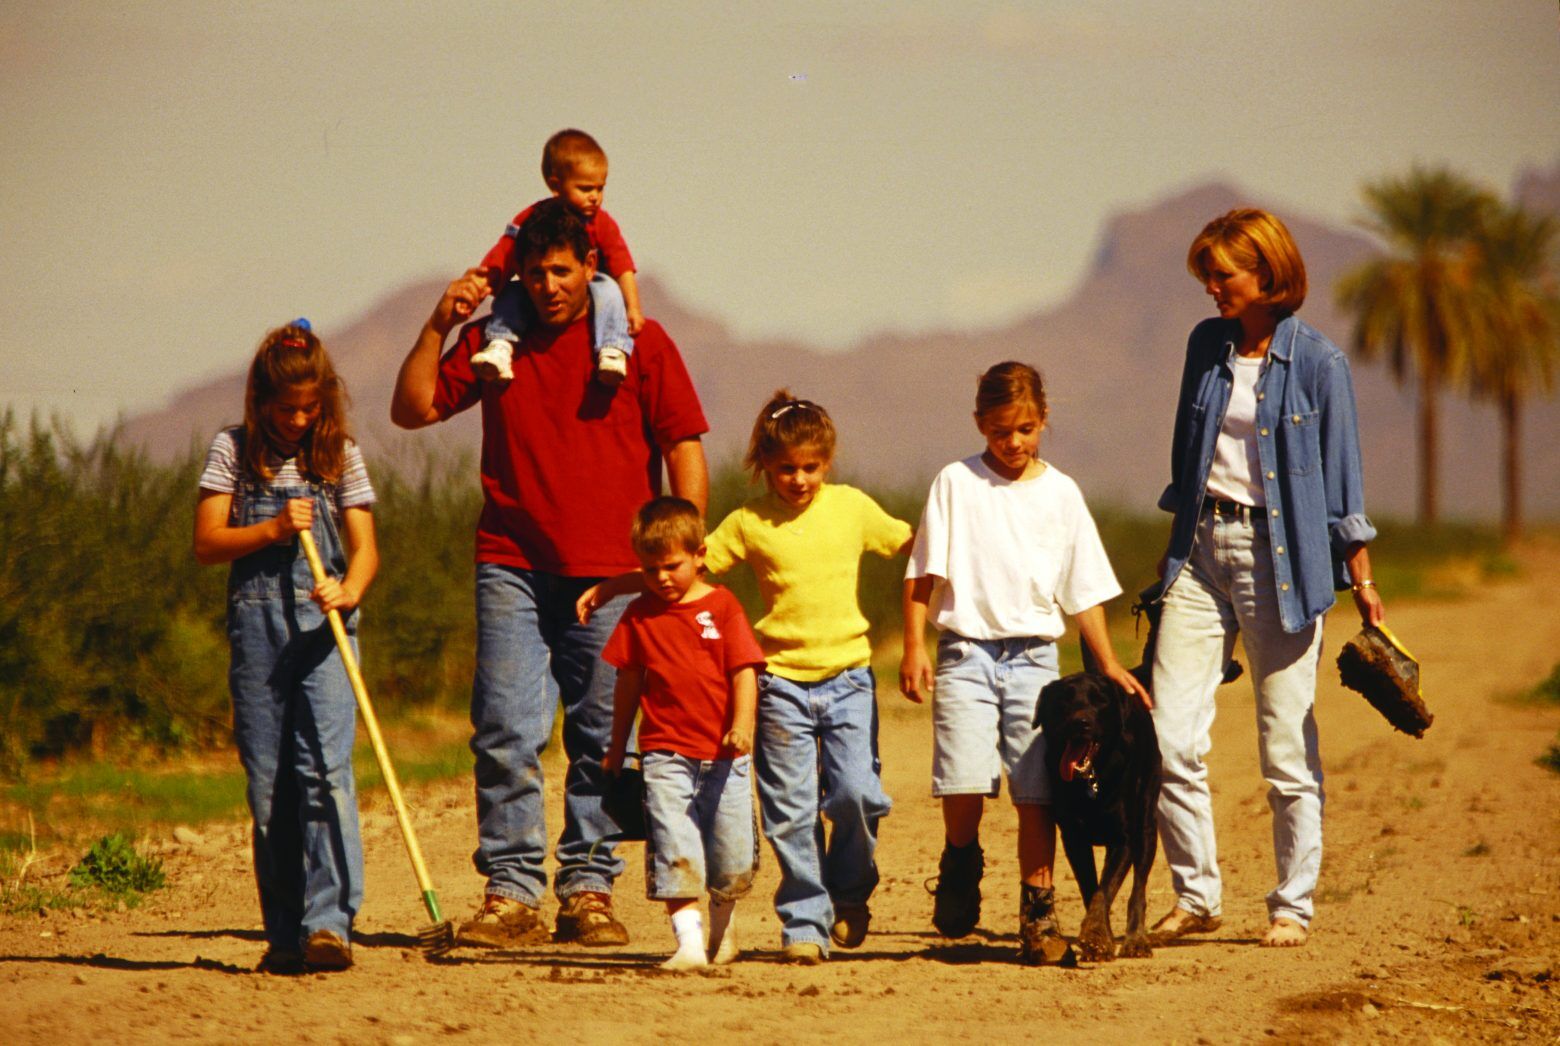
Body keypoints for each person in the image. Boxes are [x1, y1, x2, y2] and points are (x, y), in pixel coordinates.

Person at [390, 198, 709, 949]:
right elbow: (412, 409)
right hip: (511, 562)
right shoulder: (495, 342)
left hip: (614, 574)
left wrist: (685, 556)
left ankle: (589, 891)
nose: (548, 286)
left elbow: (684, 445)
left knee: (604, 736)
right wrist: (438, 323)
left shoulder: (640, 341)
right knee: (505, 728)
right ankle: (511, 894)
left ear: (589, 268)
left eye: (562, 271)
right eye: (534, 273)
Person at [586, 391, 914, 964]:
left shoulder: (853, 508)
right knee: (790, 809)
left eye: (810, 467)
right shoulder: (749, 522)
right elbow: (680, 566)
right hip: (779, 683)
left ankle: (852, 890)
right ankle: (805, 924)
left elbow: (915, 545)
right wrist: (616, 586)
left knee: (857, 795)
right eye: (785, 468)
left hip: (849, 677)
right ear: (765, 465)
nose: (799, 479)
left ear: (827, 462)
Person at [1146, 208, 1384, 949]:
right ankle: (1197, 895)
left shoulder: (1319, 364)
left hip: (1281, 562)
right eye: (1206, 275)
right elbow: (1189, 462)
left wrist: (1363, 580)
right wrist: (1172, 555)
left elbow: (1343, 486)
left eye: (1224, 274)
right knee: (1169, 734)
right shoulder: (1205, 346)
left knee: (1284, 745)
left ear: (1268, 274)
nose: (1212, 288)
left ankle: (1292, 903)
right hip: (1199, 552)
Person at [900, 361, 1151, 965]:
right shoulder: (955, 484)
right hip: (965, 653)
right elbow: (921, 574)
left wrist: (1110, 664)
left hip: (1037, 660)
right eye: (999, 432)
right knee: (961, 779)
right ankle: (961, 859)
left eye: (1026, 429)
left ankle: (1038, 916)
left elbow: (1083, 590)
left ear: (1044, 420)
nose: (1013, 443)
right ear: (979, 424)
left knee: (1037, 791)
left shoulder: (1061, 493)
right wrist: (912, 646)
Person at [192, 319, 380, 974]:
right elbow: (207, 541)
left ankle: (330, 925)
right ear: (261, 400)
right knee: (270, 785)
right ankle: (285, 932)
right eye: (287, 408)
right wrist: (272, 528)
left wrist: (349, 590)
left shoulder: (341, 456)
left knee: (325, 774)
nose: (299, 419)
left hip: (325, 632)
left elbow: (365, 550)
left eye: (310, 407)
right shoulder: (232, 452)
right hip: (258, 631)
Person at [598, 498, 765, 970]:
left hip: (725, 755)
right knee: (675, 844)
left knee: (730, 852)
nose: (662, 578)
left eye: (672, 566)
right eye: (650, 570)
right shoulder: (638, 615)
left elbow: (744, 671)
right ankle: (689, 944)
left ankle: (723, 925)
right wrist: (617, 747)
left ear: (700, 555)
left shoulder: (724, 605)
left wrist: (742, 726)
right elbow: (627, 682)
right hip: (664, 752)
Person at [469, 128, 643, 386]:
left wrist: (633, 307)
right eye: (585, 188)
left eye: (600, 188)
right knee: (513, 294)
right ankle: (501, 345)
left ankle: (612, 349)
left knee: (607, 288)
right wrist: (483, 284)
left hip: (589, 290)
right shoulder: (533, 218)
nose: (594, 197)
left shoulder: (601, 223)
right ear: (555, 185)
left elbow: (622, 266)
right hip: (535, 295)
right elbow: (505, 251)